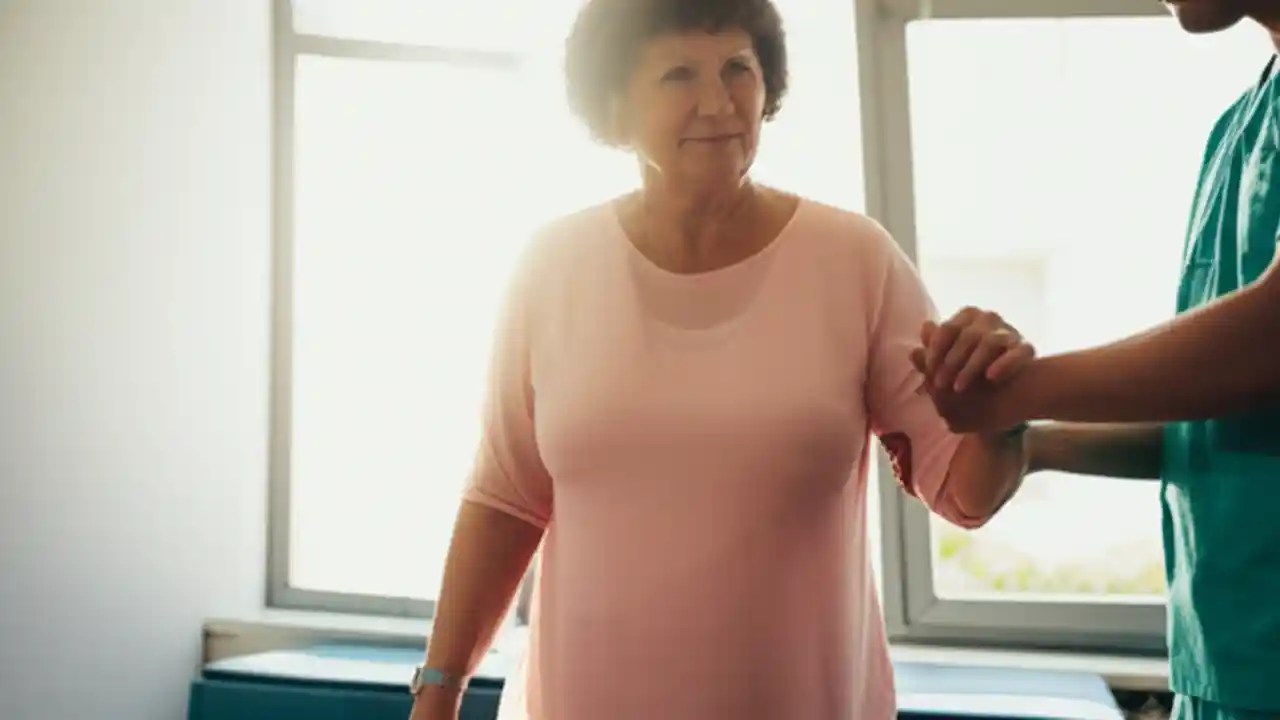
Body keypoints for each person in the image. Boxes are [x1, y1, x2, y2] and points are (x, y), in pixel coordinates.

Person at [406, 0, 1037, 718]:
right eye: (678, 75)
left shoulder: (853, 260)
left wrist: (1001, 414)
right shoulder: (553, 267)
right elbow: (505, 498)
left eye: (738, 68)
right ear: (615, 107)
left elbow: (965, 491)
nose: (718, 102)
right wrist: (440, 687)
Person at [914, 3, 1280, 720]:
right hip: (1223, 668)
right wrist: (1036, 443)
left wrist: (1018, 390)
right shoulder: (1237, 129)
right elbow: (1219, 420)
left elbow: (1267, 341)